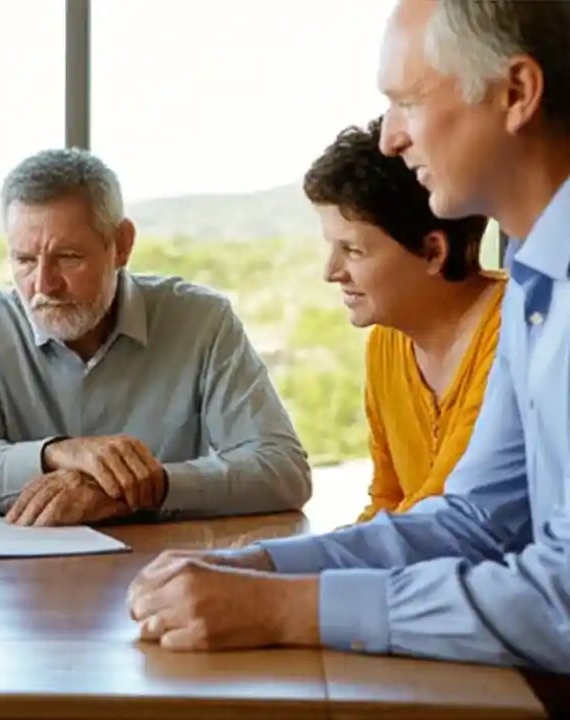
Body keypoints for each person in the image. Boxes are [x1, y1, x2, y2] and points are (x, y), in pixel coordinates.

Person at [126, 0, 570, 672]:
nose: (391, 137)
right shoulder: (539, 282)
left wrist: (283, 609)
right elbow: (474, 525)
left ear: (516, 94)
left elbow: (561, 601)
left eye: (408, 101)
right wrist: (254, 566)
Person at [0, 147, 310, 525]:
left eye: (68, 257)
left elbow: (283, 469)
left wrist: (139, 490)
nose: (44, 285)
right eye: (25, 260)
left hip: (157, 577)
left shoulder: (201, 321)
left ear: (121, 245)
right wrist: (56, 454)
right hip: (13, 585)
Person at [305, 117, 504, 524]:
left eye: (353, 250)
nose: (331, 271)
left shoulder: (512, 331)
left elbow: (444, 511)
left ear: (433, 252)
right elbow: (387, 500)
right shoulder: (387, 341)